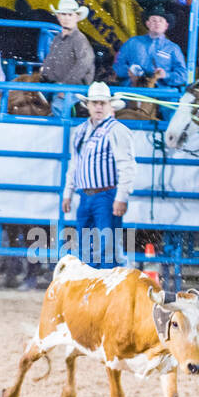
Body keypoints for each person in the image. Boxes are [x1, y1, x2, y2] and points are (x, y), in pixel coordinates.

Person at [62, 82, 137, 269]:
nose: (98, 107)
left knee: (107, 246)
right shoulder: (80, 131)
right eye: (95, 103)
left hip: (106, 195)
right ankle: (92, 286)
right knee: (86, 246)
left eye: (102, 103)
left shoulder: (117, 130)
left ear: (110, 106)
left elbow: (126, 165)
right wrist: (67, 192)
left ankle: (107, 288)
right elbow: (75, 164)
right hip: (85, 195)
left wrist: (121, 197)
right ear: (88, 105)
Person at [40, 0, 95, 117]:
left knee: (59, 107)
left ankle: (61, 135)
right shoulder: (57, 39)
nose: (66, 18)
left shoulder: (79, 39)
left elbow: (84, 64)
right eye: (63, 14)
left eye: (70, 15)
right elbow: (50, 61)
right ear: (58, 17)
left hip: (75, 89)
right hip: (55, 85)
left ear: (76, 17)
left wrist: (66, 85)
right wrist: (43, 76)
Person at [112, 5, 187, 87]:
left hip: (161, 95)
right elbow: (117, 66)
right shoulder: (132, 42)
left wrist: (166, 75)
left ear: (166, 26)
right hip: (132, 91)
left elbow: (183, 75)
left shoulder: (173, 48)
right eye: (154, 20)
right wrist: (128, 71)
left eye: (161, 21)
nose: (157, 23)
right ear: (147, 23)